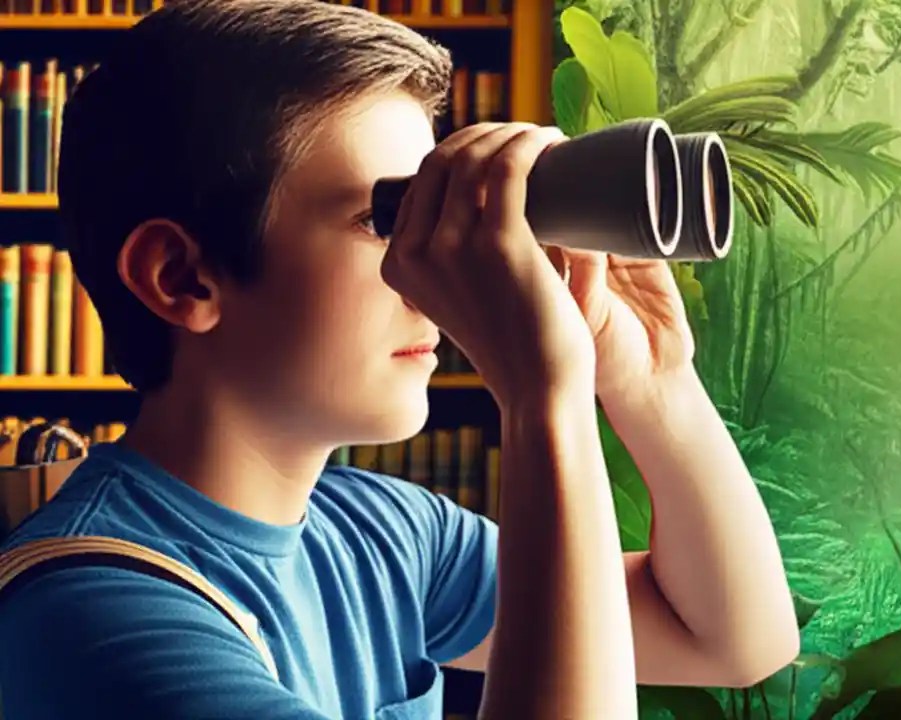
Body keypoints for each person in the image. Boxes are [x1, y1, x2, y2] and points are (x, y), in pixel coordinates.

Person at [0, 1, 798, 718]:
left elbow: (731, 642)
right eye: (386, 220)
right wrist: (544, 400)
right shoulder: (90, 619)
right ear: (182, 277)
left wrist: (651, 379)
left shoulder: (379, 536)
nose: (431, 269)